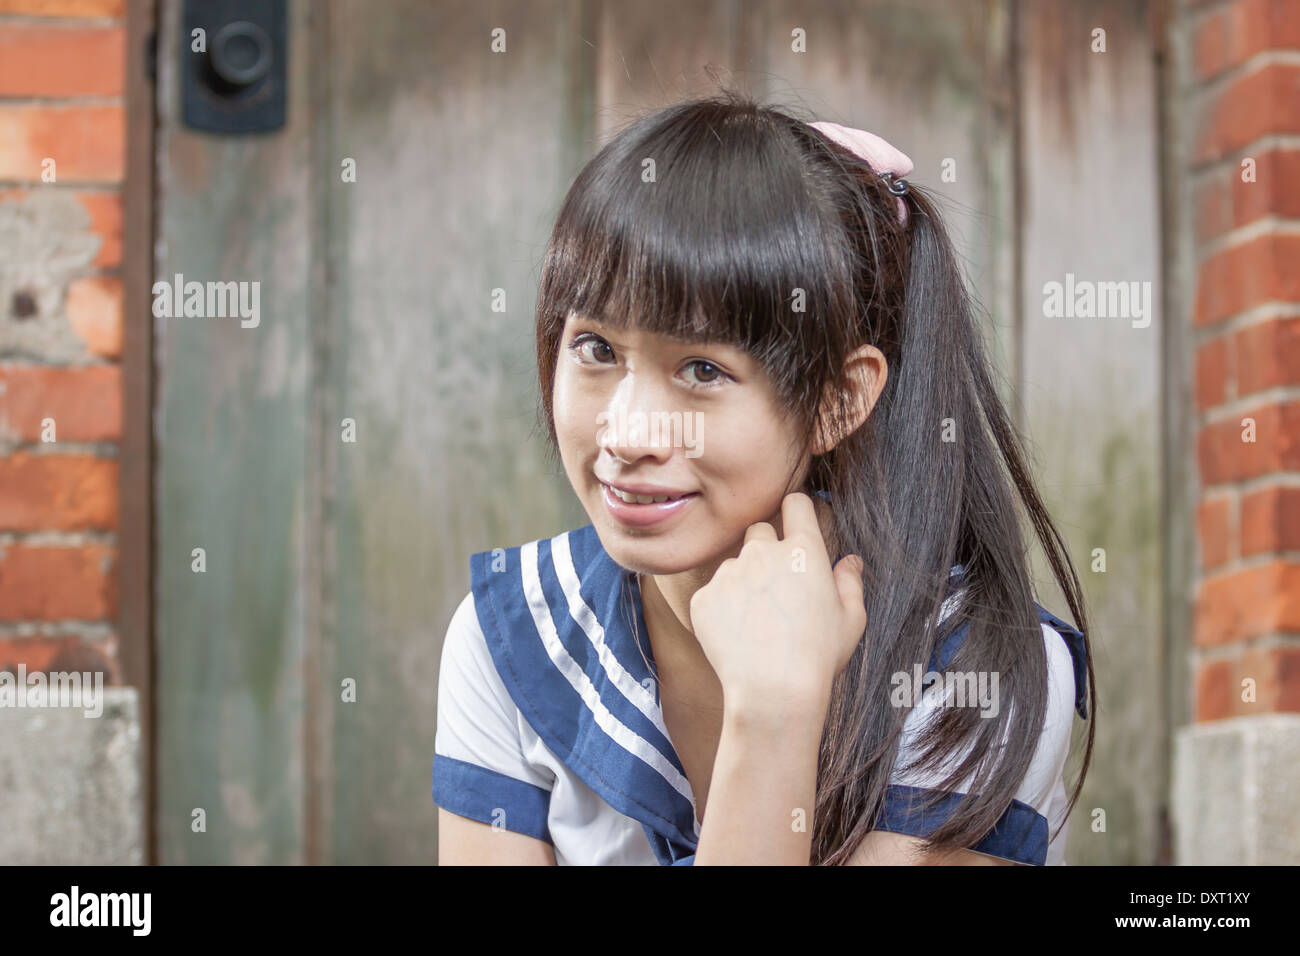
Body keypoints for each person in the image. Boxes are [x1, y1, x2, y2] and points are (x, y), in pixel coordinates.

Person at [433, 91, 1095, 865]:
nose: (628, 433)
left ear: (839, 399)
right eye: (596, 349)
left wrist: (773, 712)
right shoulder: (515, 635)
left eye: (703, 369)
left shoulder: (975, 672)